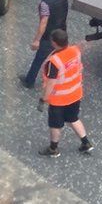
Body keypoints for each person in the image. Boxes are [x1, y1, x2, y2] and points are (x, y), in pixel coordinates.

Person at [38, 29, 94, 157]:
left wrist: (44, 98)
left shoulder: (55, 62)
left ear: (54, 43)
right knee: (73, 118)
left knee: (55, 125)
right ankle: (86, 143)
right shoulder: (75, 51)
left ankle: (53, 149)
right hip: (75, 94)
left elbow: (51, 83)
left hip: (59, 99)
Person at [23, 0, 69, 89]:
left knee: (38, 60)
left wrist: (37, 40)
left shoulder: (45, 4)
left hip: (49, 37)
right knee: (60, 58)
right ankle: (60, 81)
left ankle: (29, 81)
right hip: (62, 34)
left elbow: (43, 23)